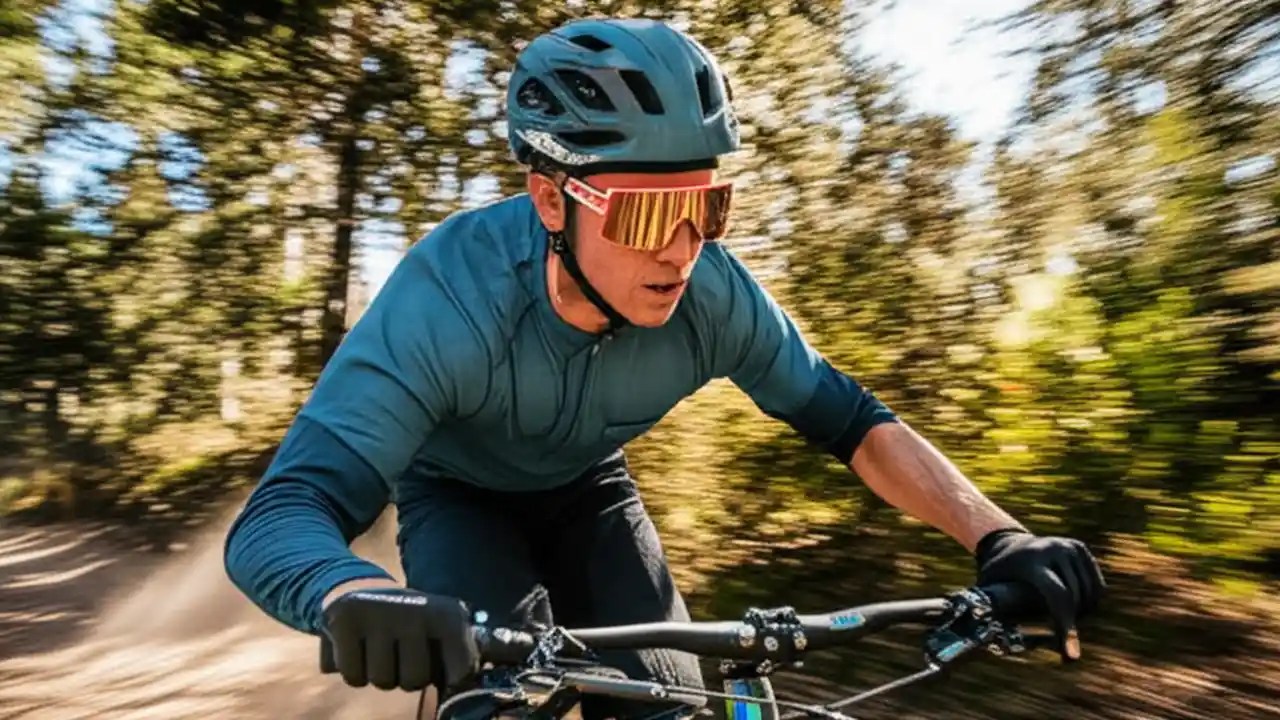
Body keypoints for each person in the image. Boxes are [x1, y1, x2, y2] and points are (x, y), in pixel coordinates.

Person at [223, 16, 1105, 719]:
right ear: (548, 199)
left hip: (589, 493)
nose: (684, 250)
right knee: (497, 703)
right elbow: (282, 516)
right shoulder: (444, 304)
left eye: (707, 208)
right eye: (648, 215)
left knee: (669, 703)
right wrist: (351, 592)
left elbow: (856, 425)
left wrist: (1000, 537)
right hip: (458, 496)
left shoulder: (714, 297)